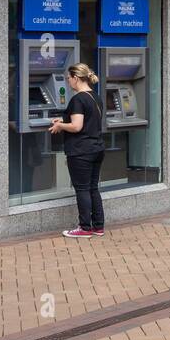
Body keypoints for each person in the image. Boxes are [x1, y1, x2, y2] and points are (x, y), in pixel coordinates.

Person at [49, 63, 107, 238]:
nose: (68, 82)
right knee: (92, 188)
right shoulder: (95, 97)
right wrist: (64, 118)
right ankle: (98, 226)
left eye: (68, 78)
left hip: (81, 151)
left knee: (82, 189)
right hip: (96, 148)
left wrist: (60, 125)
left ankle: (84, 228)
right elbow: (85, 119)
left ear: (76, 77)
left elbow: (76, 126)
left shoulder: (77, 99)